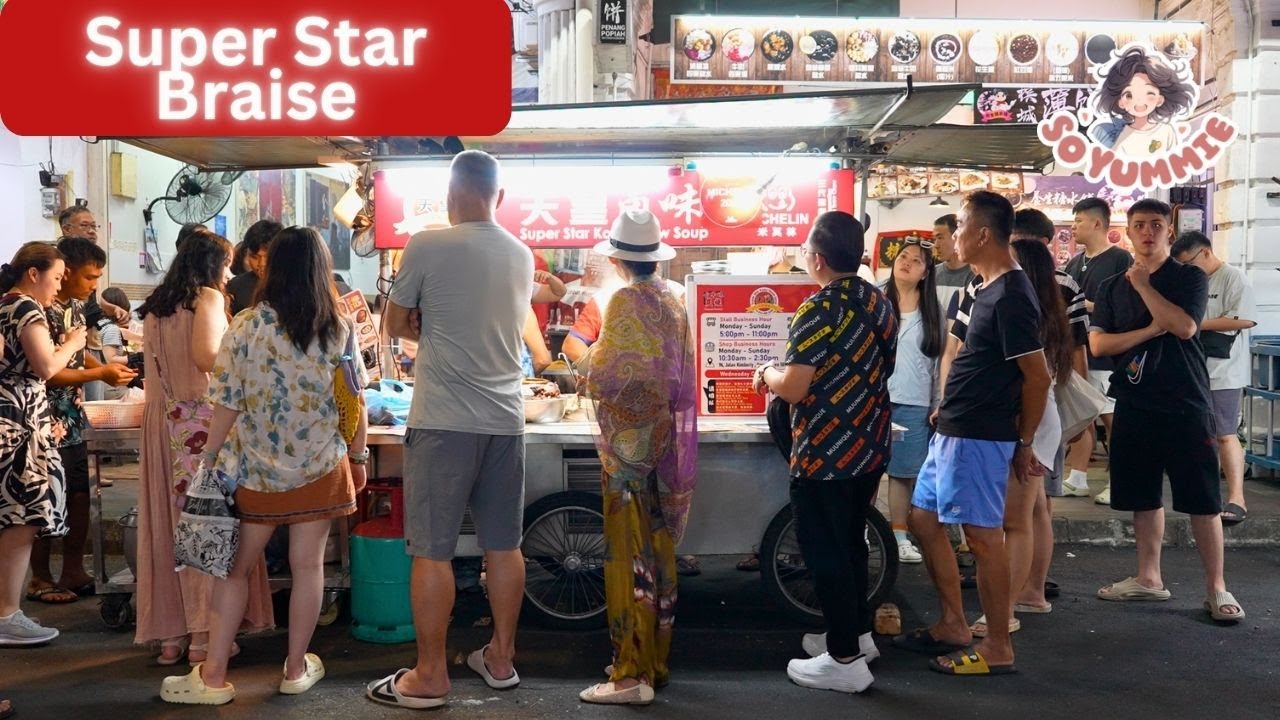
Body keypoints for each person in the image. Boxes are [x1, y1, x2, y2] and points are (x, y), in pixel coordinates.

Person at [161, 226, 368, 704]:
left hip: (255, 468)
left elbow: (227, 400)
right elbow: (353, 397)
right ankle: (295, 668)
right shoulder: (338, 325)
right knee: (308, 567)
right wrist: (357, 454)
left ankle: (213, 678)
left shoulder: (247, 324)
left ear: (270, 268)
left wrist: (208, 460)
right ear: (320, 269)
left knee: (234, 570)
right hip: (320, 464)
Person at [371, 150, 531, 710]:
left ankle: (430, 674)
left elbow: (393, 323)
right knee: (503, 545)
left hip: (443, 421)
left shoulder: (427, 244)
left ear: (449, 195)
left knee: (433, 552)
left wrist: (420, 318)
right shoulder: (521, 254)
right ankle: (501, 658)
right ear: (500, 198)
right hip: (507, 422)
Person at [900, 191, 1050, 677]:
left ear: (982, 234)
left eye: (959, 227)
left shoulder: (1011, 296)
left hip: (980, 436)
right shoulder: (980, 287)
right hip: (954, 429)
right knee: (923, 520)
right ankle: (953, 623)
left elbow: (1038, 377)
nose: (952, 238)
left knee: (983, 539)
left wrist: (1024, 442)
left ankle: (998, 646)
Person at [753, 210, 896, 694]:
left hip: (825, 453)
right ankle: (855, 634)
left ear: (815, 258)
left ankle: (844, 660)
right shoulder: (879, 303)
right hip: (870, 444)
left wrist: (766, 372)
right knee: (851, 542)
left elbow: (793, 387)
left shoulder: (819, 308)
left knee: (825, 552)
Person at [1091, 200, 1244, 622]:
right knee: (1143, 497)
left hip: (1186, 401)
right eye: (1139, 225)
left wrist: (1144, 288)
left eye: (1156, 225)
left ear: (1169, 232)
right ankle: (1148, 578)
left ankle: (1217, 587)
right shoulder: (1109, 288)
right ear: (1127, 229)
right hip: (1135, 402)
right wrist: (1148, 329)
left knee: (1202, 499)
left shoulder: (1188, 277)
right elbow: (1099, 346)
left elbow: (1184, 327)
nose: (1147, 232)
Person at [134, 230, 273, 666]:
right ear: (212, 265)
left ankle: (171, 636)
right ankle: (204, 635)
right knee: (207, 527)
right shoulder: (207, 298)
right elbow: (208, 357)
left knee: (169, 527)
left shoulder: (159, 304)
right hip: (197, 424)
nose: (231, 274)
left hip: (160, 423)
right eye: (227, 264)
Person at [579, 210, 696, 705]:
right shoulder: (672, 299)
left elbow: (606, 375)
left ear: (616, 257)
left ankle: (630, 675)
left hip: (628, 452)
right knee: (657, 549)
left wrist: (585, 367)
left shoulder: (624, 300)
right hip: (664, 442)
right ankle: (654, 661)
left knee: (626, 557)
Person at [962, 238, 1071, 638]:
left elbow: (1036, 379)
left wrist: (1025, 441)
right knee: (1028, 515)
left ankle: (1004, 612)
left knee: (1015, 520)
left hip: (1028, 422)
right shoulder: (1037, 306)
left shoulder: (1016, 304)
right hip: (1022, 421)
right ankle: (1028, 595)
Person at [27, 237, 136, 605]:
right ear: (65, 270)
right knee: (45, 499)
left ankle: (73, 569)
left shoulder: (76, 306)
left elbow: (76, 357)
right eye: (90, 277)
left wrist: (104, 367)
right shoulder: (36, 310)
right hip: (42, 421)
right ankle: (39, 577)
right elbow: (49, 371)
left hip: (72, 419)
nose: (94, 285)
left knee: (79, 495)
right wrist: (99, 375)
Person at [0, 243, 84, 649]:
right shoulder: (24, 308)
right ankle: (7, 614)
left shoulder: (4, 305)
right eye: (55, 277)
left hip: (16, 416)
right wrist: (71, 342)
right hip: (17, 424)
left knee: (16, 517)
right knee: (21, 517)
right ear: (33, 274)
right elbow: (47, 366)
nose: (58, 286)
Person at [1009, 208, 1089, 611]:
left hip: (1022, 406)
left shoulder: (1006, 283)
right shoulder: (1066, 284)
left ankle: (1020, 596)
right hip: (1052, 401)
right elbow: (1077, 349)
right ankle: (1032, 589)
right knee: (1039, 502)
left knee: (1022, 510)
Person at [1171, 231, 1256, 526]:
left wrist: (1195, 325)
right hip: (1193, 367)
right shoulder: (1193, 280)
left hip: (1224, 371)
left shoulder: (1233, 277)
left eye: (1190, 263)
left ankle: (1237, 497)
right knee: (1197, 434)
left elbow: (1244, 319)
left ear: (1205, 253)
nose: (1188, 270)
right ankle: (1206, 495)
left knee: (1225, 433)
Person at [1063, 197, 1132, 504]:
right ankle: (1077, 477)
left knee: (1111, 417)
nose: (1073, 226)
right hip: (1077, 350)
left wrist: (1086, 305)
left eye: (1078, 221)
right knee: (1081, 415)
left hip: (1106, 354)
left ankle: (1121, 481)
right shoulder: (1074, 262)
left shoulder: (1120, 260)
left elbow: (1126, 305)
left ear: (1097, 223)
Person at [881, 237, 943, 565]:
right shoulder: (876, 299)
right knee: (864, 470)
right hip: (874, 400)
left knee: (904, 474)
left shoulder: (932, 310)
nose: (906, 262)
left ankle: (899, 536)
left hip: (915, 402)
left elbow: (938, 363)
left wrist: (937, 402)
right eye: (903, 256)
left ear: (926, 272)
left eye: (916, 260)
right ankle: (862, 530)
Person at [1088, 46, 1197, 158]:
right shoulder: (1121, 137)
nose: (1139, 100)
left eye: (1149, 93)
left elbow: (1175, 164)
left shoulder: (1167, 131)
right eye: (1129, 95)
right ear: (1120, 102)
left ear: (1160, 99)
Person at [225, 219, 283, 316]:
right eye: (254, 257)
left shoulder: (295, 286)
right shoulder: (235, 287)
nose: (261, 264)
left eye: (268, 257)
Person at [933, 213, 974, 312]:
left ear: (957, 237)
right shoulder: (932, 274)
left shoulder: (975, 276)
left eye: (940, 238)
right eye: (935, 239)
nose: (936, 245)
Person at [97, 287, 132, 401]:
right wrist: (134, 358)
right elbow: (110, 359)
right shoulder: (112, 329)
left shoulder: (100, 324)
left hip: (101, 385)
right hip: (111, 387)